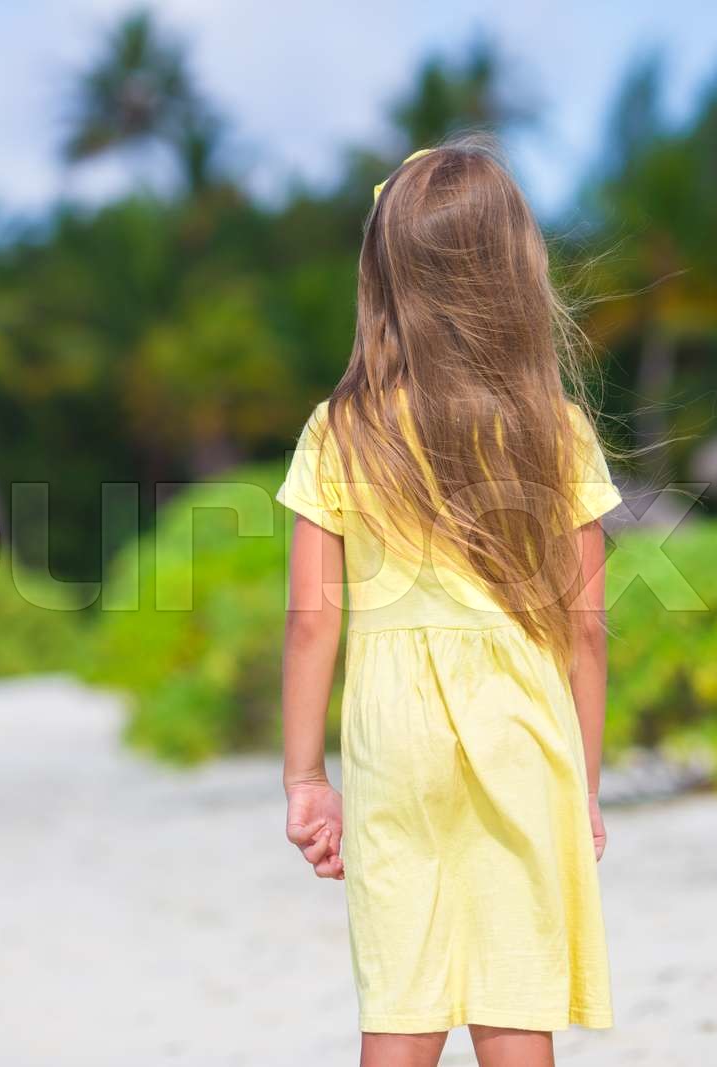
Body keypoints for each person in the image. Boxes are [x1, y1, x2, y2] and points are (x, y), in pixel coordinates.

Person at [277, 139, 619, 1067]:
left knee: (402, 990)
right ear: (516, 270)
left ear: (387, 273)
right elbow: (584, 632)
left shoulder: (342, 424)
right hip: (523, 726)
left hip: (393, 734)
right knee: (514, 995)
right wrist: (583, 787)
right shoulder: (558, 429)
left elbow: (314, 620)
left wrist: (307, 778)